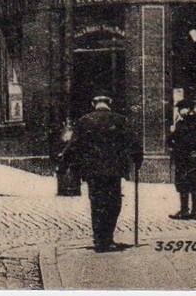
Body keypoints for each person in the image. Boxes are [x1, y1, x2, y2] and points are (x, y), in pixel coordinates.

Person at [59, 95, 143, 253]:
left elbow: (74, 146)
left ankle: (99, 239)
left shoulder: (85, 121)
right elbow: (133, 142)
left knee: (97, 203)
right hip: (114, 171)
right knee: (113, 203)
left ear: (93, 104)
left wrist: (64, 164)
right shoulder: (120, 121)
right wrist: (138, 159)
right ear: (110, 103)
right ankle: (108, 238)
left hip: (93, 171)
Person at [167, 101, 196, 221]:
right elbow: (171, 138)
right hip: (184, 157)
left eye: (182, 108)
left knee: (188, 183)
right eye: (179, 109)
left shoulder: (192, 123)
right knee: (186, 183)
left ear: (189, 109)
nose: (180, 111)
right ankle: (188, 211)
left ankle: (191, 211)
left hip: (188, 157)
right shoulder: (185, 122)